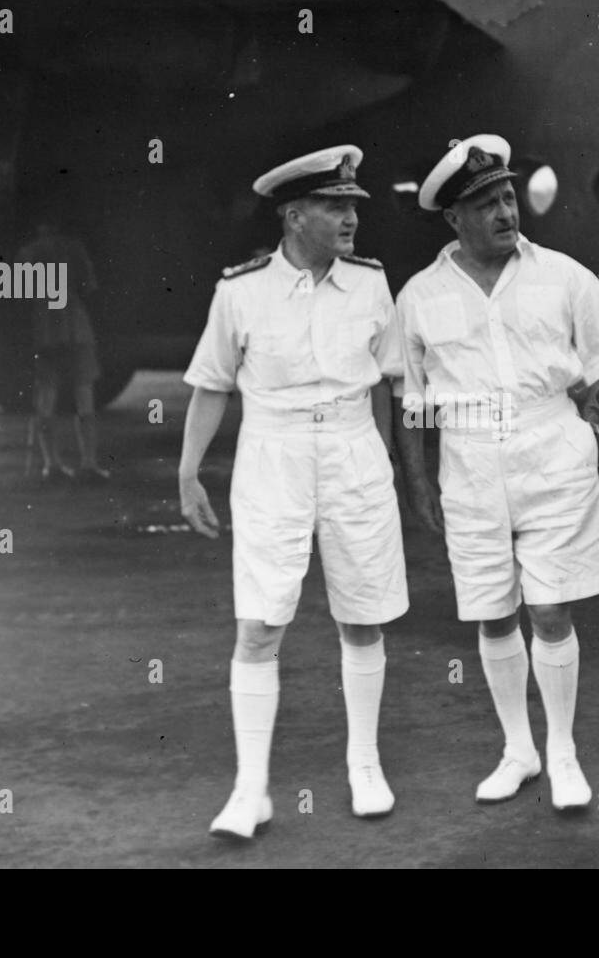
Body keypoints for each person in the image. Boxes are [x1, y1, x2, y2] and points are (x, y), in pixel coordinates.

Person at [178, 144, 408, 839]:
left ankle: (363, 763)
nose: (350, 218)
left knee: (362, 615)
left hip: (352, 451)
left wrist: (389, 466)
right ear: (293, 214)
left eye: (354, 206)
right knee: (261, 624)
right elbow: (211, 384)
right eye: (335, 206)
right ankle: (251, 789)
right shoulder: (240, 290)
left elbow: (389, 383)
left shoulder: (371, 283)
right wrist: (187, 472)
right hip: (271, 455)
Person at [395, 135, 599, 811]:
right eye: (484, 203)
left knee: (550, 607)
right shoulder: (420, 294)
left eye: (506, 196)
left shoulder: (564, 274)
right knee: (493, 612)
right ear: (453, 218)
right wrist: (417, 482)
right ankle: (518, 749)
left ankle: (563, 751)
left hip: (551, 445)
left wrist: (591, 421)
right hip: (466, 459)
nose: (504, 211)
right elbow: (408, 401)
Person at [16, 221, 110, 484]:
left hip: (44, 330)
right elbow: (88, 286)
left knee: (45, 399)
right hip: (75, 328)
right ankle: (89, 464)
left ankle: (51, 465)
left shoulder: (27, 253)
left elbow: (19, 295)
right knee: (84, 396)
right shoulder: (74, 249)